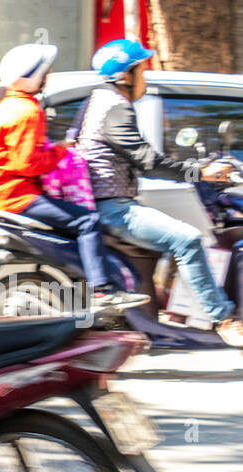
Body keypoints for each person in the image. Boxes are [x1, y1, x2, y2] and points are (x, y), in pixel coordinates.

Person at [78, 39, 241, 341]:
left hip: (109, 200)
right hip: (112, 206)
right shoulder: (115, 107)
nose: (146, 77)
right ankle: (224, 320)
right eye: (142, 70)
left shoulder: (98, 101)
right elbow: (146, 160)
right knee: (188, 240)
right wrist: (200, 172)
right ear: (126, 76)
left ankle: (171, 321)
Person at [0, 44, 147, 310]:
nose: (49, 76)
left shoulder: (9, 106)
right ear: (35, 77)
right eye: (46, 72)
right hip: (16, 195)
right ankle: (102, 291)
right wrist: (58, 152)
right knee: (88, 221)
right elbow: (28, 163)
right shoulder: (28, 112)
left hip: (1, 192)